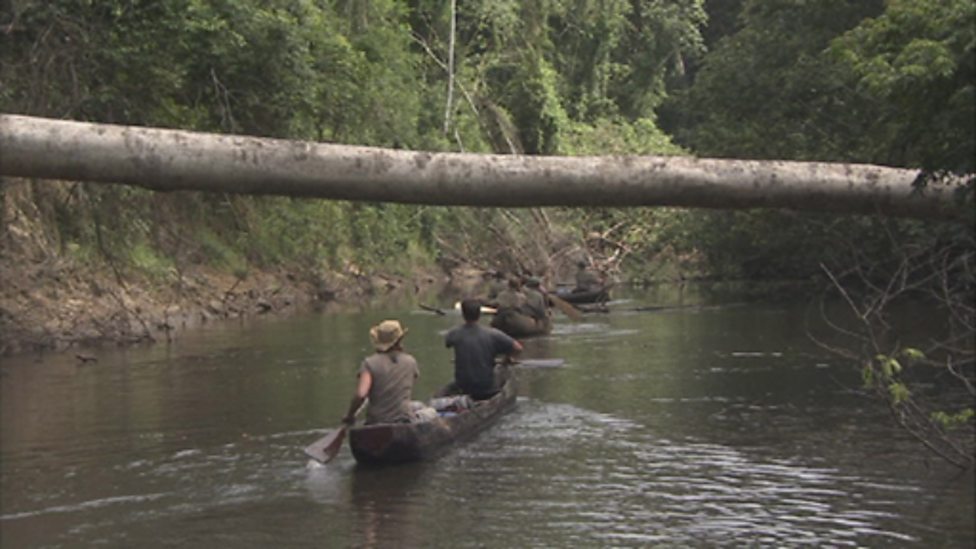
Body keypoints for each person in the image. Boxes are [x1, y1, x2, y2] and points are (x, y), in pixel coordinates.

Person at [342, 319, 420, 426]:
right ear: (400, 340)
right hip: (404, 420)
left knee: (417, 405)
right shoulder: (410, 361)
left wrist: (350, 416)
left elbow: (361, 395)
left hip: (375, 421)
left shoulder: (369, 363)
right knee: (430, 411)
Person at [445, 298, 523, 400]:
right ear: (479, 314)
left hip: (463, 386)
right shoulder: (492, 334)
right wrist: (507, 358)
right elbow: (518, 348)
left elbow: (448, 343)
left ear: (463, 314)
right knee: (501, 374)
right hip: (486, 387)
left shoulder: (454, 333)